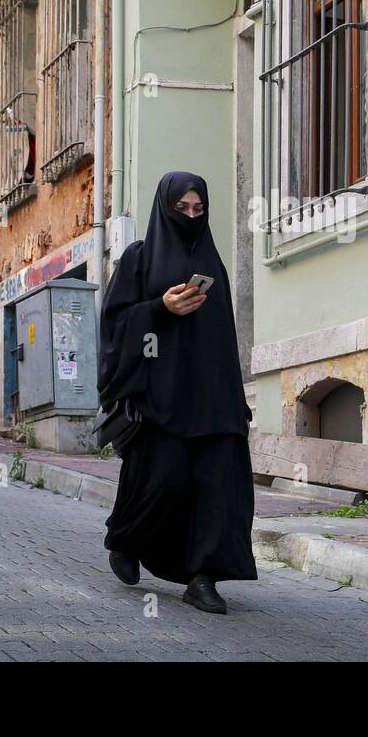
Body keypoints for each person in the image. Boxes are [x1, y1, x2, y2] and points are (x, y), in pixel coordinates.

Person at [97, 170, 257, 614]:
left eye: (198, 209)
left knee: (218, 486)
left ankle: (202, 577)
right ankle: (126, 540)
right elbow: (114, 324)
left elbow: (224, 335)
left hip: (212, 398)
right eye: (181, 209)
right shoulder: (139, 259)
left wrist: (235, 399)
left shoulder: (213, 265)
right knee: (162, 481)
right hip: (160, 398)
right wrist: (159, 309)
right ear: (165, 209)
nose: (190, 216)